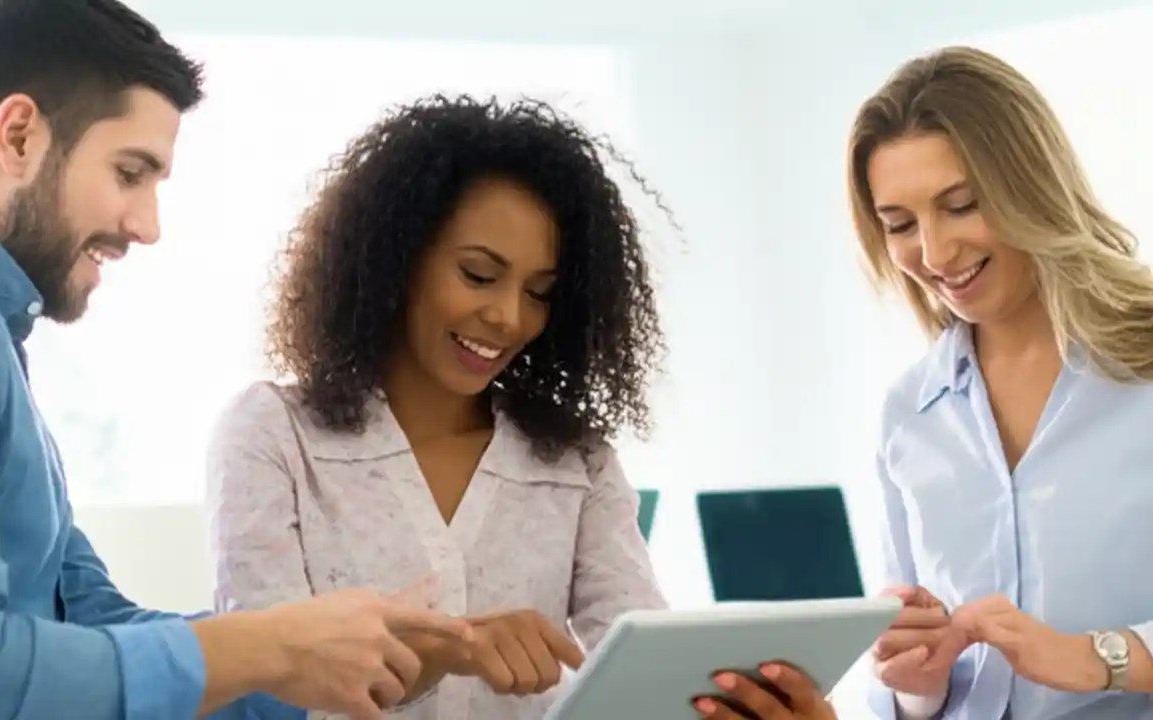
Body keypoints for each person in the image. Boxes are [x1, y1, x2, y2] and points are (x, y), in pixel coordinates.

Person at [0, 2, 474, 719]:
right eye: (130, 172)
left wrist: (327, 659)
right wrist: (272, 649)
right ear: (19, 135)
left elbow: (86, 619)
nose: (147, 226)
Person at [206, 94, 838, 720]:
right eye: (479, 275)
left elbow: (643, 668)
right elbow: (261, 689)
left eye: (539, 293)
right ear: (395, 260)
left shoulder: (576, 463)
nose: (509, 317)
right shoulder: (273, 436)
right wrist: (443, 652)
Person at [848, 45, 1153, 719]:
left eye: (960, 206)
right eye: (899, 224)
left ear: (1032, 186)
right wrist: (916, 684)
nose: (932, 254)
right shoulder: (909, 413)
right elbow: (898, 686)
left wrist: (1099, 657)